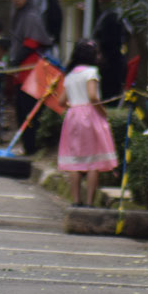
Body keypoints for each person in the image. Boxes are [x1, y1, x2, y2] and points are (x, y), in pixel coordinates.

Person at [57, 40, 118, 207]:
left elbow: (61, 101)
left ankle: (76, 200)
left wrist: (74, 105)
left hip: (73, 116)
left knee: (75, 161)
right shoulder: (92, 72)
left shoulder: (70, 75)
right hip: (89, 116)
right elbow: (93, 96)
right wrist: (103, 111)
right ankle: (90, 202)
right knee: (93, 160)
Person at [8, 0, 53, 155]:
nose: (17, 0)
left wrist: (17, 59)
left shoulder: (31, 16)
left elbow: (32, 42)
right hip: (21, 70)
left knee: (29, 108)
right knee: (20, 107)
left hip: (31, 69)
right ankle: (27, 145)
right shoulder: (19, 15)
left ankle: (32, 146)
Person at [91, 0, 128, 105]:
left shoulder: (114, 17)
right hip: (104, 66)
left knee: (109, 97)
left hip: (111, 66)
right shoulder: (105, 16)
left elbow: (110, 42)